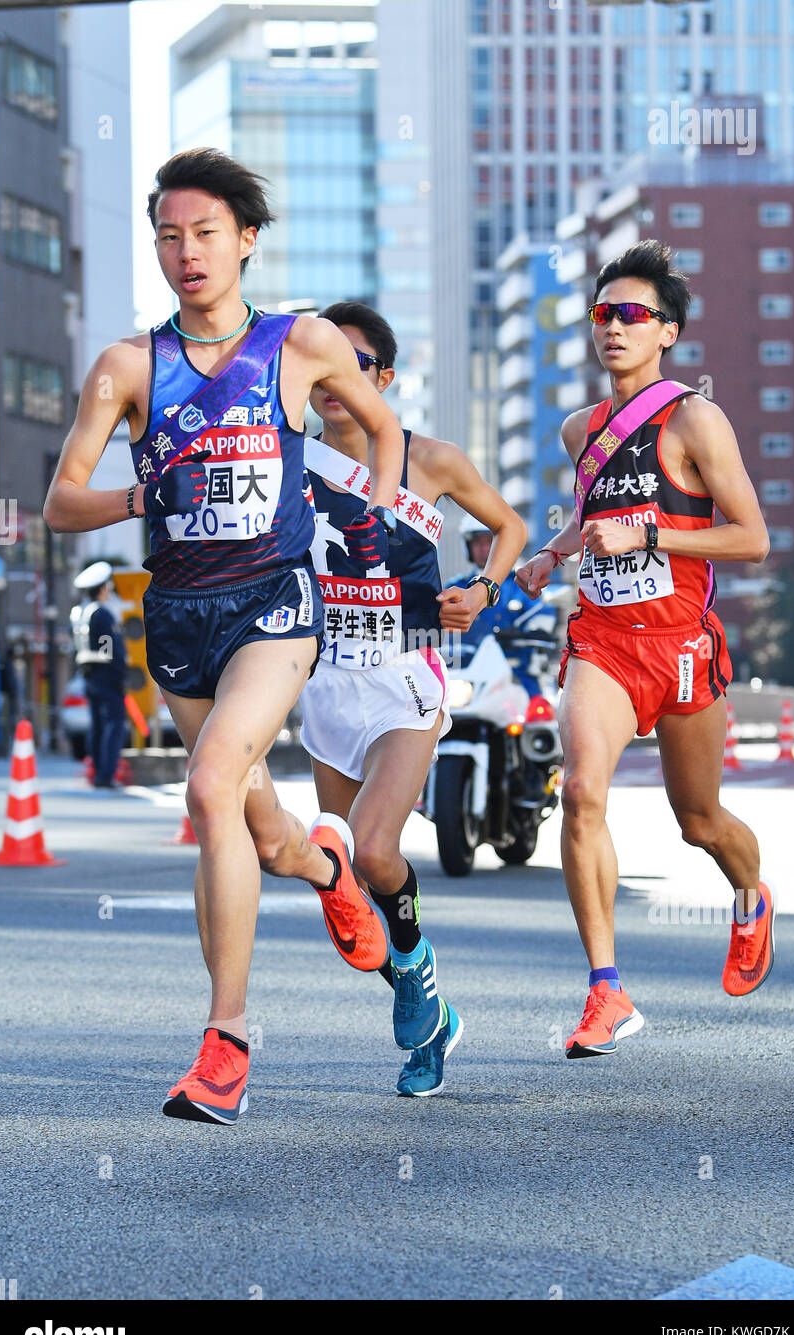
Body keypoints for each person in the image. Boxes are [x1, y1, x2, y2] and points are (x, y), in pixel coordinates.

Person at [44, 148, 406, 1126]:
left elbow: (382, 428)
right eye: (168, 236)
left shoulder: (301, 344)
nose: (186, 252)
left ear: (246, 239)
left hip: (274, 607)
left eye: (205, 233)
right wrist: (140, 493)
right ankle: (325, 868)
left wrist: (370, 511)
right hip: (179, 617)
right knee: (259, 826)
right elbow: (58, 502)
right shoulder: (129, 367)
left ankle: (227, 1040)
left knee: (206, 786)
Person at [516, 239, 775, 1059]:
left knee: (698, 820)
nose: (613, 327)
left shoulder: (697, 418)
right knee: (583, 790)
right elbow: (595, 517)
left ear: (667, 331)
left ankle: (750, 895)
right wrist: (555, 552)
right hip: (603, 643)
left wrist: (650, 529)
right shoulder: (576, 430)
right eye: (602, 314)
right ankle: (606, 990)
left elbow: (753, 538)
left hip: (682, 644)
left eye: (632, 314)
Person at [300, 301, 526, 1095]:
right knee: (354, 885)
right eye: (322, 363)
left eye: (353, 363)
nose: (335, 379)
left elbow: (511, 527)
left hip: (406, 679)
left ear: (385, 378)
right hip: (324, 686)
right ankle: (430, 1012)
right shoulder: (289, 467)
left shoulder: (431, 460)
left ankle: (419, 971)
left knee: (373, 847)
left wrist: (485, 589)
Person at [448, 514, 559, 699]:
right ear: (468, 547)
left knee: (540, 720)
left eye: (488, 542)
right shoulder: (456, 588)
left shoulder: (521, 583)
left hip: (516, 674)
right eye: (477, 543)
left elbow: (542, 615)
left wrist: (533, 630)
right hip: (467, 676)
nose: (483, 549)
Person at [70, 560, 127, 788]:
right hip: (107, 676)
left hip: (88, 675)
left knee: (97, 725)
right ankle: (106, 774)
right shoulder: (101, 614)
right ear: (103, 589)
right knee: (114, 725)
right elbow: (110, 650)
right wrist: (122, 674)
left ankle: (96, 771)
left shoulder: (78, 613)